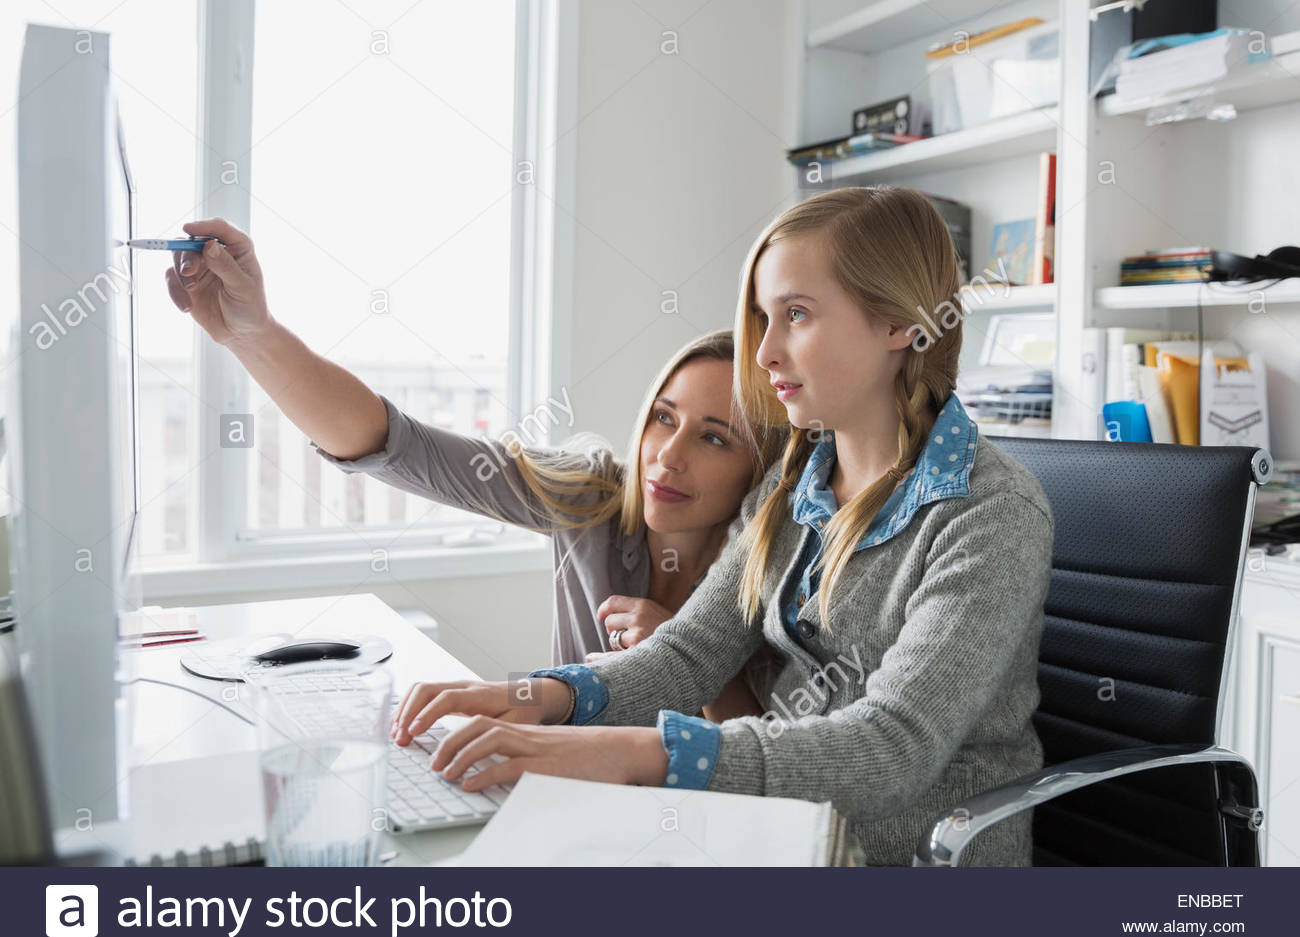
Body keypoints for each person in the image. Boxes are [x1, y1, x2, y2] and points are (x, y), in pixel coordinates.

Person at [389, 185, 1056, 867]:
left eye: (795, 314)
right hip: (771, 836)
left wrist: (626, 753)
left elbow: (890, 750)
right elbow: (689, 654)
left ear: (896, 323)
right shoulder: (793, 486)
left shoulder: (990, 514)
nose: (764, 354)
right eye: (763, 317)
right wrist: (538, 696)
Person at [164, 220, 786, 721]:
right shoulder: (594, 496)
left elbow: (783, 748)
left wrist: (681, 653)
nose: (669, 456)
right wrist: (253, 334)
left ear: (761, 469)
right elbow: (394, 444)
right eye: (663, 418)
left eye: (714, 438)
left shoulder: (780, 564)